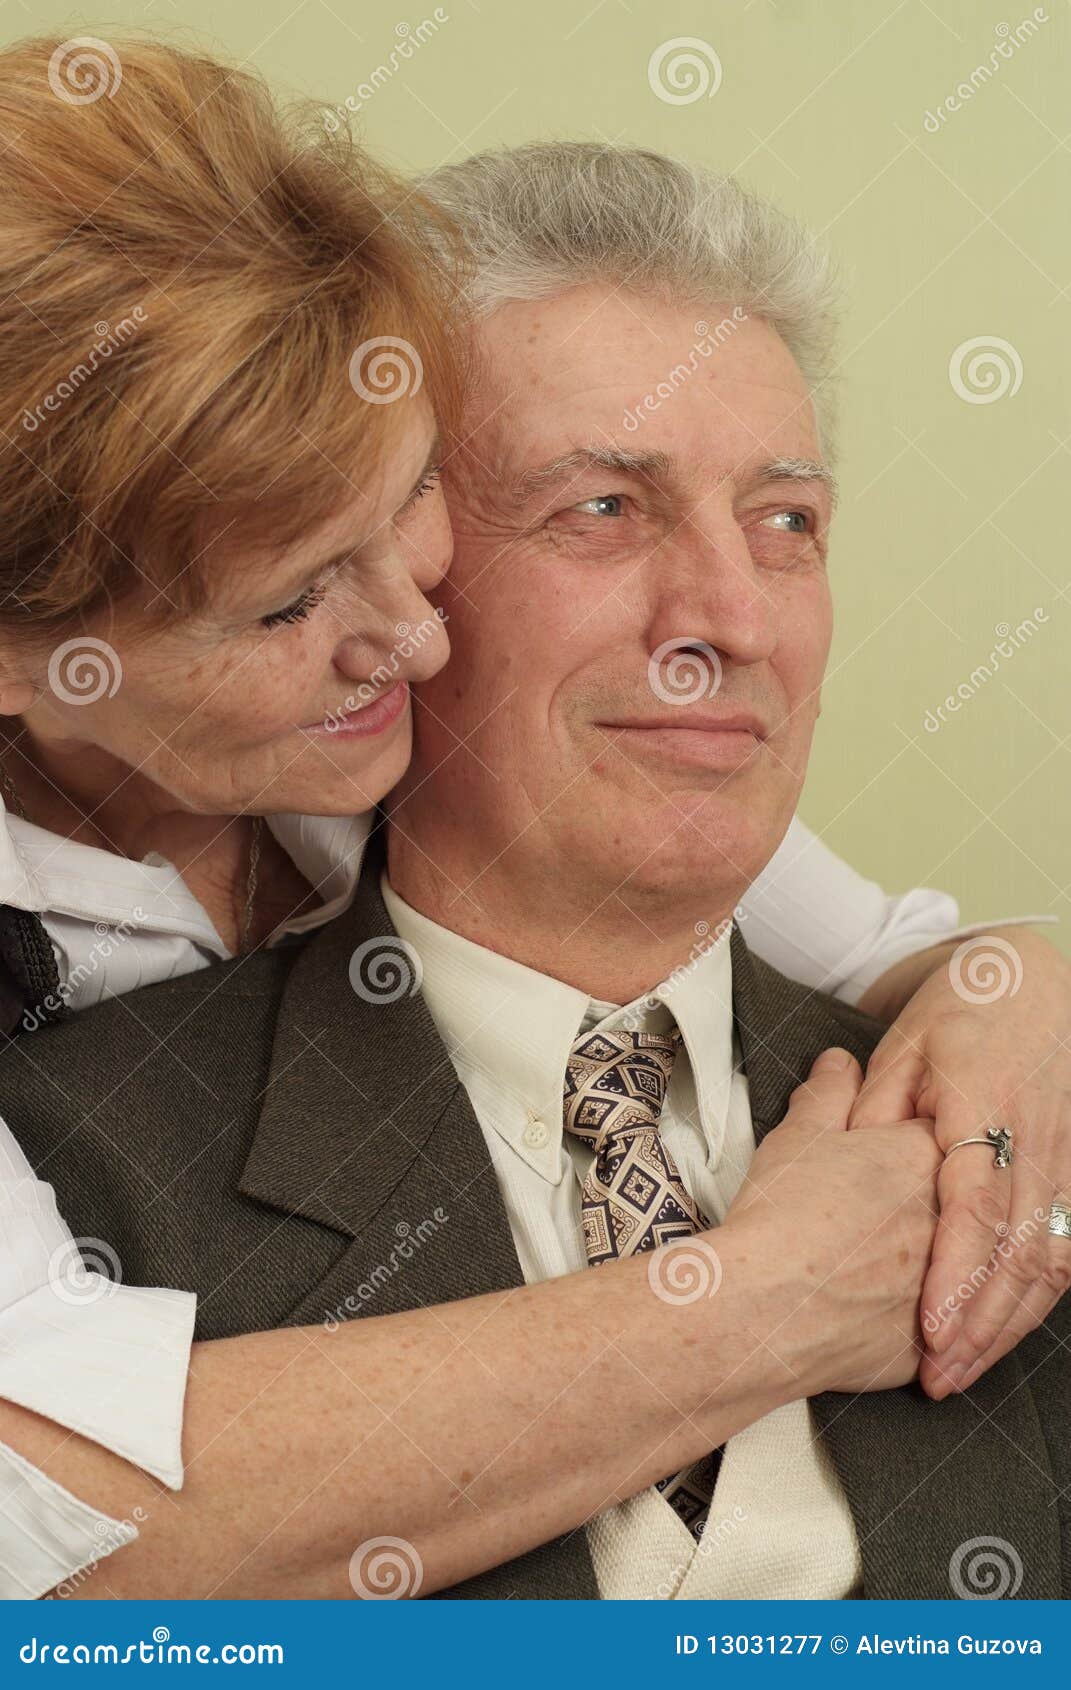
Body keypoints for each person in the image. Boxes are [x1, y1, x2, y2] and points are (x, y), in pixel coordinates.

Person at [3, 141, 1068, 1601]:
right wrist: (766, 1300)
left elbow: (870, 922)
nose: (725, 620)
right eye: (601, 509)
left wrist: (1029, 986)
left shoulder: (996, 1123)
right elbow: (51, 1529)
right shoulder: (86, 1149)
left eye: (788, 522)